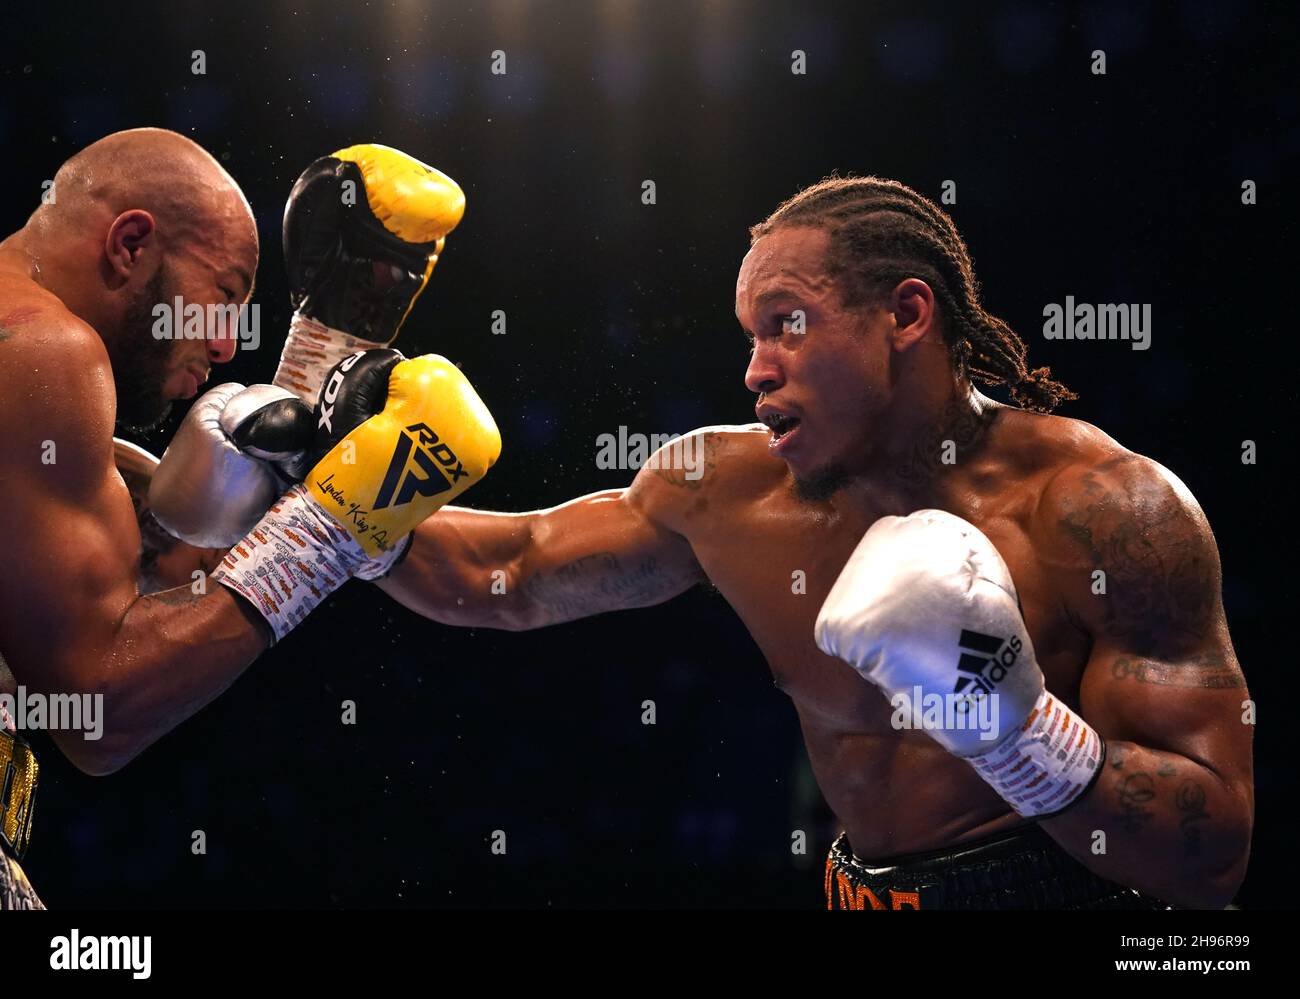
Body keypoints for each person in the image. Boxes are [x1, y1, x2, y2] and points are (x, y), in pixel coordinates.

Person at [371, 176, 1253, 909]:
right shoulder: (722, 488)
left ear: (906, 315)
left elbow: (1213, 857)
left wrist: (1016, 734)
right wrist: (336, 503)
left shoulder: (1105, 510)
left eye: (785, 323)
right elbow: (510, 573)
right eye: (749, 337)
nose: (755, 369)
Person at [0, 129, 498, 909]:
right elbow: (100, 712)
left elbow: (159, 555)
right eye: (224, 296)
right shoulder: (45, 351)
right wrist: (330, 529)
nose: (229, 345)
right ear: (130, 244)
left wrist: (319, 359)